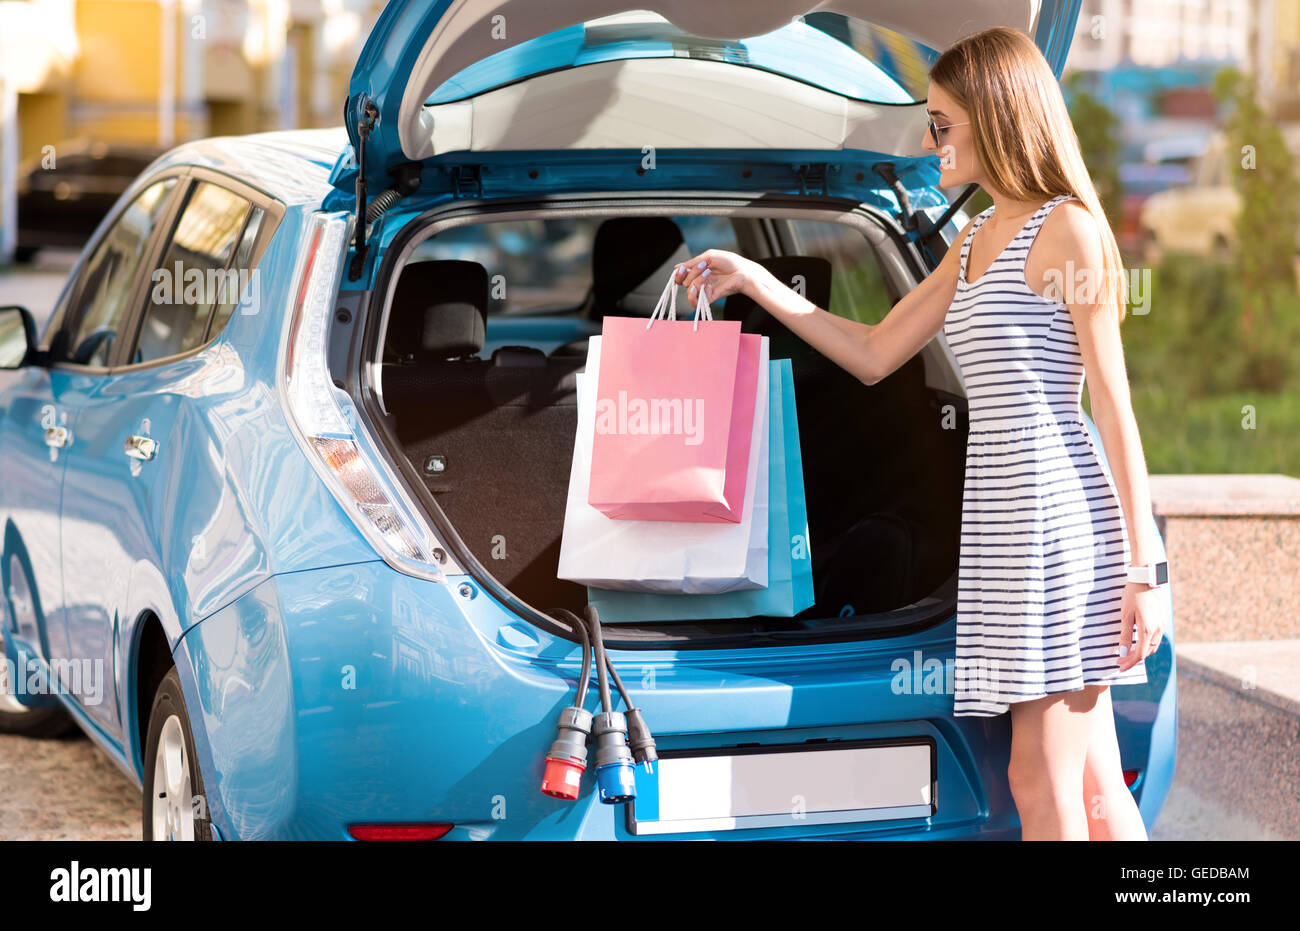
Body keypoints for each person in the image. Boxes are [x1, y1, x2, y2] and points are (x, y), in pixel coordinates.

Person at [673, 26, 1166, 841]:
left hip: (1058, 525)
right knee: (1095, 784)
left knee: (1037, 781)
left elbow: (1113, 403)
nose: (930, 141)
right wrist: (758, 280)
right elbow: (873, 352)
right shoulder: (971, 242)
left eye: (942, 124)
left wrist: (1143, 569)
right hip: (1000, 530)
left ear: (996, 115)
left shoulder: (1068, 229)